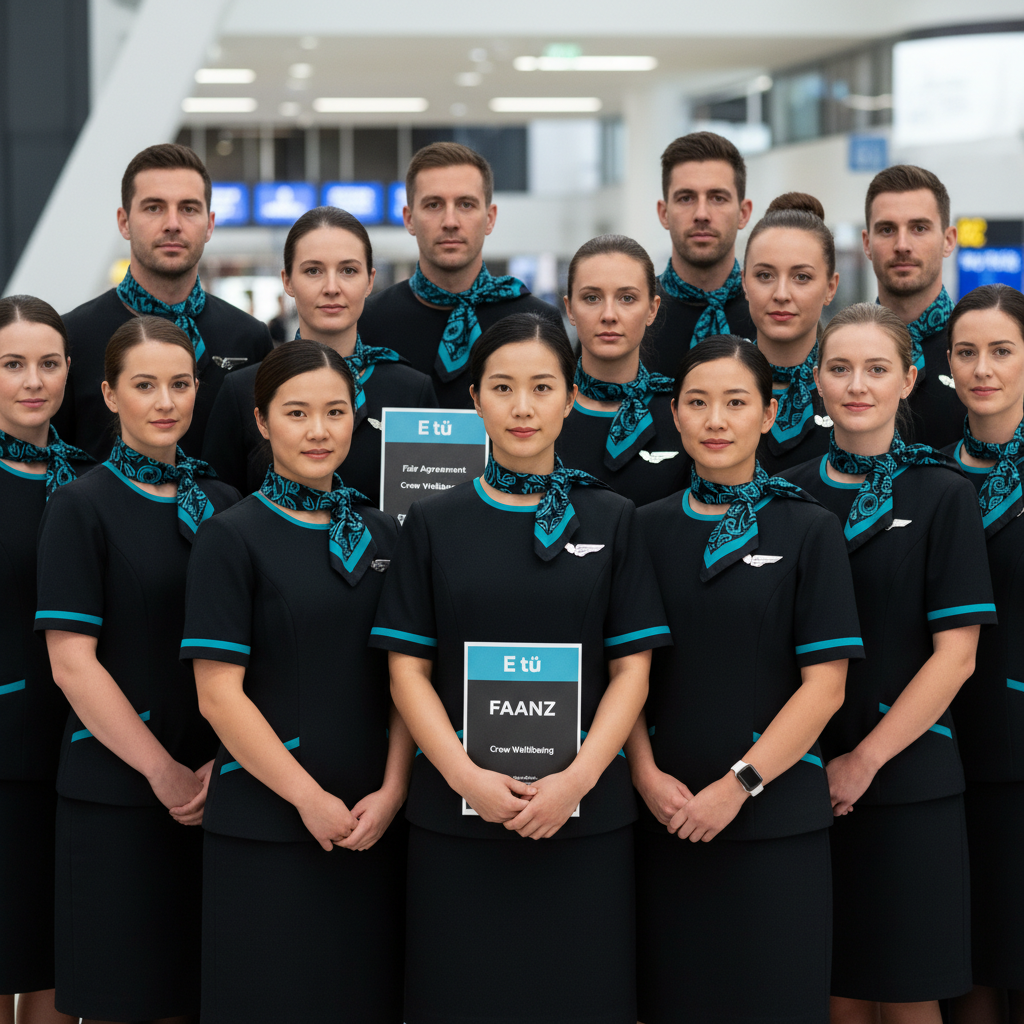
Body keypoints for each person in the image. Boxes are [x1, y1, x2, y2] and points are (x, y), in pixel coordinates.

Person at [369, 312, 671, 1024]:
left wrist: (576, 781)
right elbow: (407, 671)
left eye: (542, 386)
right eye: (503, 388)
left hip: (584, 818)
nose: (523, 407)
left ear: (570, 398)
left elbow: (632, 670)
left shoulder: (614, 517)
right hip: (457, 818)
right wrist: (465, 777)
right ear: (475, 399)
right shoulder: (432, 521)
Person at [629, 335, 863, 1024]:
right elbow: (626, 675)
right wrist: (645, 775)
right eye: (697, 402)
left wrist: (738, 787)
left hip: (775, 820)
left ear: (768, 414)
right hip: (667, 817)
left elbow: (826, 686)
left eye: (736, 403)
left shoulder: (811, 528)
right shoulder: (642, 529)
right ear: (674, 413)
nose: (715, 421)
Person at [182, 341, 412, 1022]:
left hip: (373, 824)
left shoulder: (385, 535)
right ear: (261, 421)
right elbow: (217, 695)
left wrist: (393, 791)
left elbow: (407, 680)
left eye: (335, 412)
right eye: (297, 412)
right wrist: (308, 799)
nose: (319, 430)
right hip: (268, 826)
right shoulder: (231, 537)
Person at [783, 303, 994, 1024]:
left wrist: (865, 761)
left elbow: (956, 656)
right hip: (804, 775)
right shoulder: (790, 493)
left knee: (907, 994)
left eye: (876, 369)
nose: (857, 385)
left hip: (908, 776)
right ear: (816, 379)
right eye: (840, 368)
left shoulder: (945, 494)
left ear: (908, 380)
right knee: (834, 992)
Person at [36, 316, 240, 1024]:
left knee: (198, 998)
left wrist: (223, 763)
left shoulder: (224, 503)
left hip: (218, 787)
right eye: (145, 385)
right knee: (121, 1001)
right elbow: (71, 664)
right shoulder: (80, 504)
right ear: (109, 395)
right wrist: (163, 771)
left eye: (180, 384)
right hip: (118, 791)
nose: (165, 402)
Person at [53, 143, 273, 460]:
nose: (172, 223)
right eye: (154, 208)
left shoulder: (249, 337)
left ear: (210, 224)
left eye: (188, 208)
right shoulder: (72, 337)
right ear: (124, 222)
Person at [202, 207, 437, 501]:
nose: (331, 288)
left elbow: (424, 507)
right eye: (313, 270)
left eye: (348, 270)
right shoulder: (242, 391)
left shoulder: (411, 392)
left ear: (370, 281)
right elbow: (219, 503)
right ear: (287, 281)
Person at [0, 297, 90, 1024]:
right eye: (12, 365)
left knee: (61, 958)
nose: (34, 381)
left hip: (81, 743)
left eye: (48, 364)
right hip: (3, 750)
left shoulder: (90, 478)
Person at [941, 285, 1024, 1024]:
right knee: (964, 964)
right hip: (945, 747)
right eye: (966, 353)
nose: (982, 369)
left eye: (1001, 351)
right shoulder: (929, 480)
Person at [358, 142, 562, 409]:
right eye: (433, 205)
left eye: (466, 204)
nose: (450, 222)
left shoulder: (539, 320)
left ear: (490, 218)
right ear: (409, 219)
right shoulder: (369, 321)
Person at [556, 234, 691, 506]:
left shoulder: (684, 412)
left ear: (652, 309)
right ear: (570, 309)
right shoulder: (542, 408)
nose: (609, 315)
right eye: (592, 298)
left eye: (627, 298)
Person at [862, 164, 965, 449]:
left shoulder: (983, 353)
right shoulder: (841, 356)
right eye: (887, 229)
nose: (902, 245)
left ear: (948, 240)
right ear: (867, 243)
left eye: (919, 228)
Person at [743, 192, 840, 474]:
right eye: (765, 275)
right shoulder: (715, 382)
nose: (781, 294)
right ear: (744, 283)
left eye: (801, 277)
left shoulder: (853, 387)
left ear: (830, 287)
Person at [646, 131, 756, 377]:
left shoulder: (774, 313)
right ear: (664, 213)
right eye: (686, 198)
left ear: (743, 213)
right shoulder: (631, 316)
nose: (702, 214)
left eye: (718, 198)